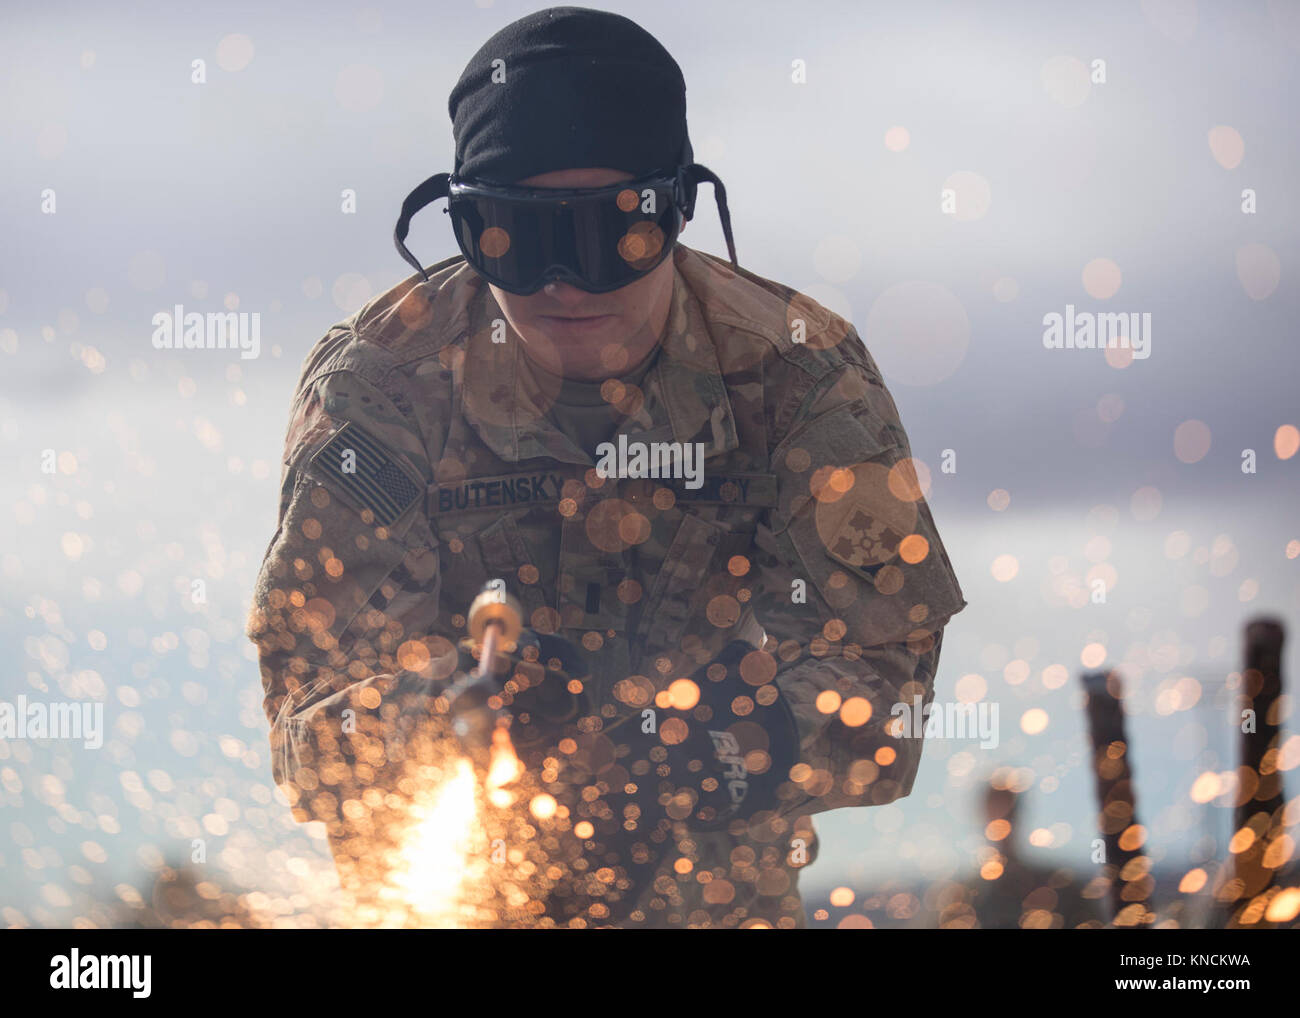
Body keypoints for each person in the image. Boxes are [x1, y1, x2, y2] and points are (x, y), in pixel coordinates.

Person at [247, 5, 966, 929]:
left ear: (676, 208)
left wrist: (687, 754)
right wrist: (455, 713)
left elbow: (886, 699)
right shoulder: (386, 391)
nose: (564, 285)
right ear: (465, 225)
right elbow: (310, 731)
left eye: (614, 233)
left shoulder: (796, 377)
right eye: (518, 235)